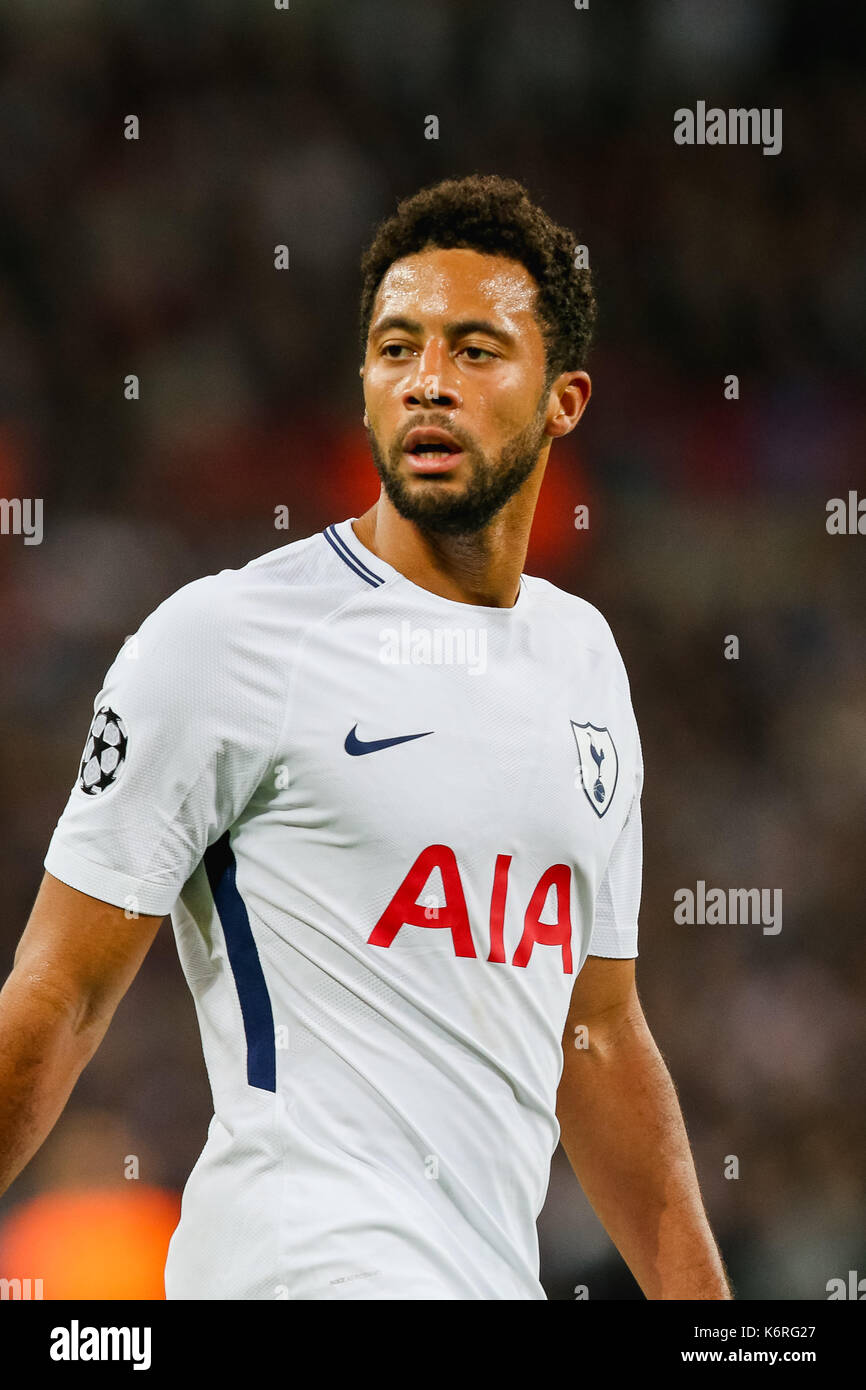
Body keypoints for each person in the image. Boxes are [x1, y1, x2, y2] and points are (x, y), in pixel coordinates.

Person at [0, 174, 731, 1300]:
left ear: (562, 400)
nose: (428, 381)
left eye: (476, 349)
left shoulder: (583, 661)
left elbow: (598, 1028)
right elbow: (61, 993)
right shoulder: (228, 639)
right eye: (398, 348)